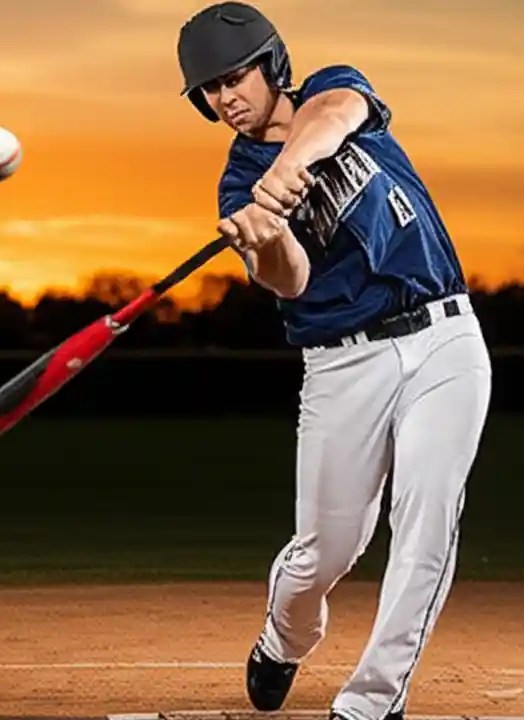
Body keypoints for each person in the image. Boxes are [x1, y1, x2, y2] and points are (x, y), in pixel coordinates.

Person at [175, 4, 493, 720]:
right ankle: (286, 638)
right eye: (210, 91)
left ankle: (372, 701)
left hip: (446, 338)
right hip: (344, 364)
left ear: (272, 65)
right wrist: (263, 236)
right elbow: (290, 281)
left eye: (235, 78)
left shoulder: (332, 88)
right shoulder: (236, 186)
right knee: (325, 551)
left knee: (427, 515)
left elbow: (339, 113)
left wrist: (288, 170)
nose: (226, 99)